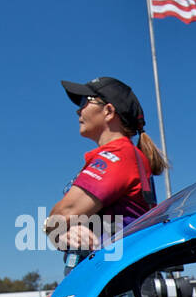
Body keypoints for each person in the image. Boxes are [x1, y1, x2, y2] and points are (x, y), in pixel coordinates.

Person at [48, 77, 166, 272]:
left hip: (113, 279)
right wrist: (62, 233)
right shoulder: (124, 155)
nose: (78, 110)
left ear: (109, 111)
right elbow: (60, 223)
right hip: (109, 276)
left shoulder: (119, 154)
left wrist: (54, 227)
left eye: (84, 101)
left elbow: (64, 213)